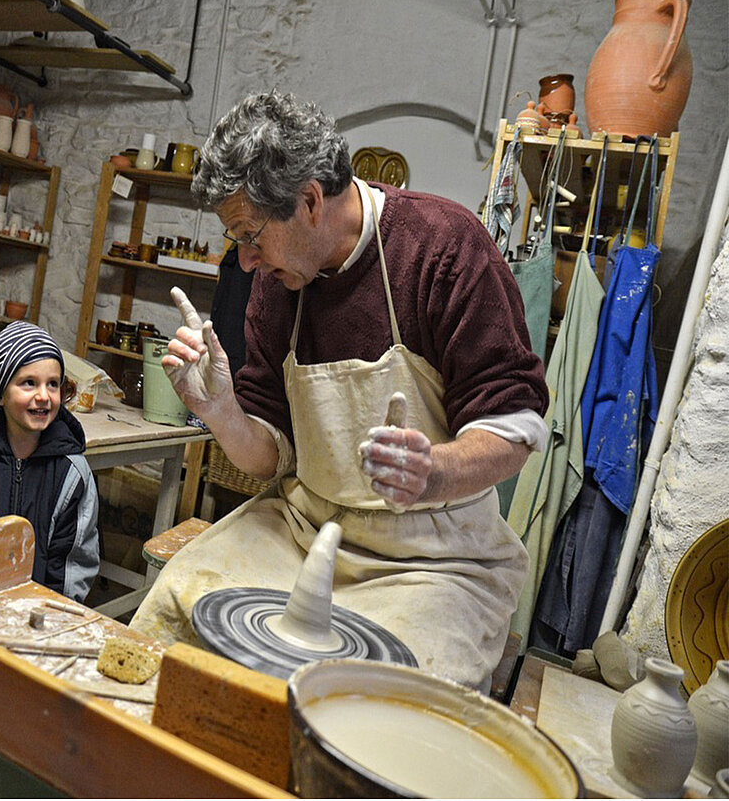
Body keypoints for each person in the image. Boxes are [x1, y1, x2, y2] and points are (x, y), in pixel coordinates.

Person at [128, 92, 549, 689]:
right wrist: (221, 411)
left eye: (250, 235)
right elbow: (270, 456)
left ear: (309, 201)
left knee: (388, 703)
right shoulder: (278, 283)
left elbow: (515, 425)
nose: (245, 262)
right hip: (306, 531)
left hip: (435, 556)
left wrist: (434, 471)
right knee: (175, 611)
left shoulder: (442, 246)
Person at [0, 322, 100, 604]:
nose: (43, 396)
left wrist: (50, 615)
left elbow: (72, 563)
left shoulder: (72, 473)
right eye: (29, 383)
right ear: (2, 393)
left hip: (41, 615)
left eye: (52, 384)